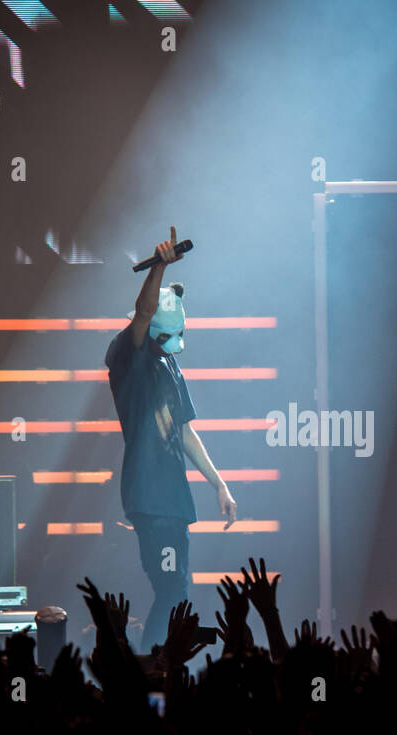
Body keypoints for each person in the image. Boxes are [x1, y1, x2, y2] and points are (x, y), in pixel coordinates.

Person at [105, 227, 236, 652]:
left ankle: (159, 667)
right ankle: (151, 671)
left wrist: (219, 484)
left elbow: (184, 431)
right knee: (171, 592)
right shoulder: (130, 355)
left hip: (173, 502)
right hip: (151, 500)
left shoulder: (170, 366)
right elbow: (143, 314)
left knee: (176, 590)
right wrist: (159, 266)